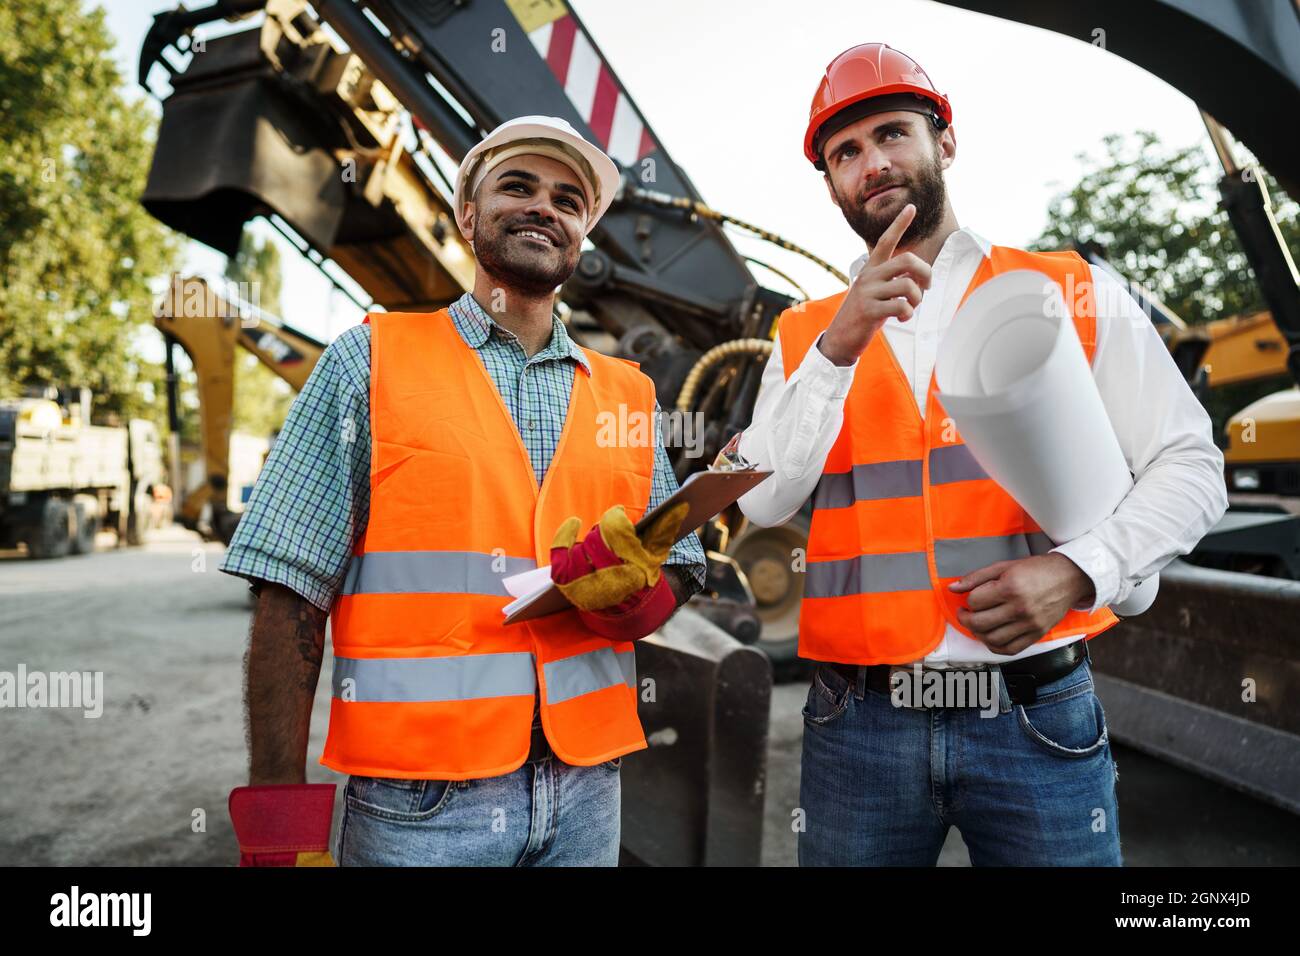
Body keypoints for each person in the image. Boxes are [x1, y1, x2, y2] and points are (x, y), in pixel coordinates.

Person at [737, 44, 1229, 866]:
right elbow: (762, 501)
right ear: (830, 185)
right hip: (859, 723)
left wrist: (1079, 571)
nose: (872, 163)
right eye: (845, 153)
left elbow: (1190, 464)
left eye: (892, 133)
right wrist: (839, 345)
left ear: (945, 143)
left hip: (1033, 710)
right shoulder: (804, 333)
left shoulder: (1066, 289)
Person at [221, 116, 707, 867]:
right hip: (420, 804)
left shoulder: (628, 396)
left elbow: (678, 562)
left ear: (581, 238)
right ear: (468, 217)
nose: (545, 206)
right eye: (518, 186)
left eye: (568, 200)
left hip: (586, 790)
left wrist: (644, 597)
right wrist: (279, 831)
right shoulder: (371, 363)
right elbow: (289, 593)